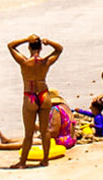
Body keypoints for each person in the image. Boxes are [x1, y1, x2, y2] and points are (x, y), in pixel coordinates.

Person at [6, 34, 63, 168]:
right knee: (45, 131)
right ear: (41, 49)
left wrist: (26, 38)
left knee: (29, 133)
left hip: (30, 95)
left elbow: (10, 46)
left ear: (29, 47)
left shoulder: (24, 62)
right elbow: (59, 49)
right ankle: (45, 160)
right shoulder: (45, 62)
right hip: (44, 95)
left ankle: (22, 162)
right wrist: (49, 41)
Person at [0, 93, 76, 155]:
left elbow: (54, 132)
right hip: (70, 138)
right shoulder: (64, 107)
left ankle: (0, 147)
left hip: (64, 141)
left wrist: (38, 127)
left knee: (34, 141)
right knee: (33, 137)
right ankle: (8, 141)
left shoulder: (55, 110)